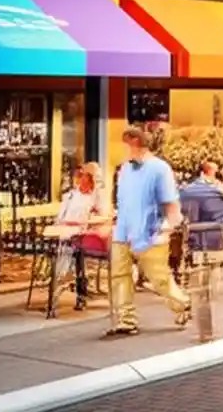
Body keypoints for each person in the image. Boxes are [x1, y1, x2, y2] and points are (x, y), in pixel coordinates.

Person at [107, 126, 191, 336]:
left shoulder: (160, 169)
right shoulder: (124, 169)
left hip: (149, 232)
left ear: (136, 144)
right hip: (123, 231)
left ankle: (182, 303)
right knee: (119, 276)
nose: (124, 149)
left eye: (126, 144)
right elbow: (123, 200)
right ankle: (126, 320)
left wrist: (167, 229)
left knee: (159, 278)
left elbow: (171, 203)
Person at [56, 162, 110, 311]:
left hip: (86, 236)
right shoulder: (71, 195)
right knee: (74, 250)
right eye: (85, 176)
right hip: (69, 233)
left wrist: (93, 215)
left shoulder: (97, 196)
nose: (88, 180)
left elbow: (104, 215)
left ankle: (81, 292)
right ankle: (71, 286)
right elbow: (61, 216)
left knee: (78, 250)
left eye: (93, 178)